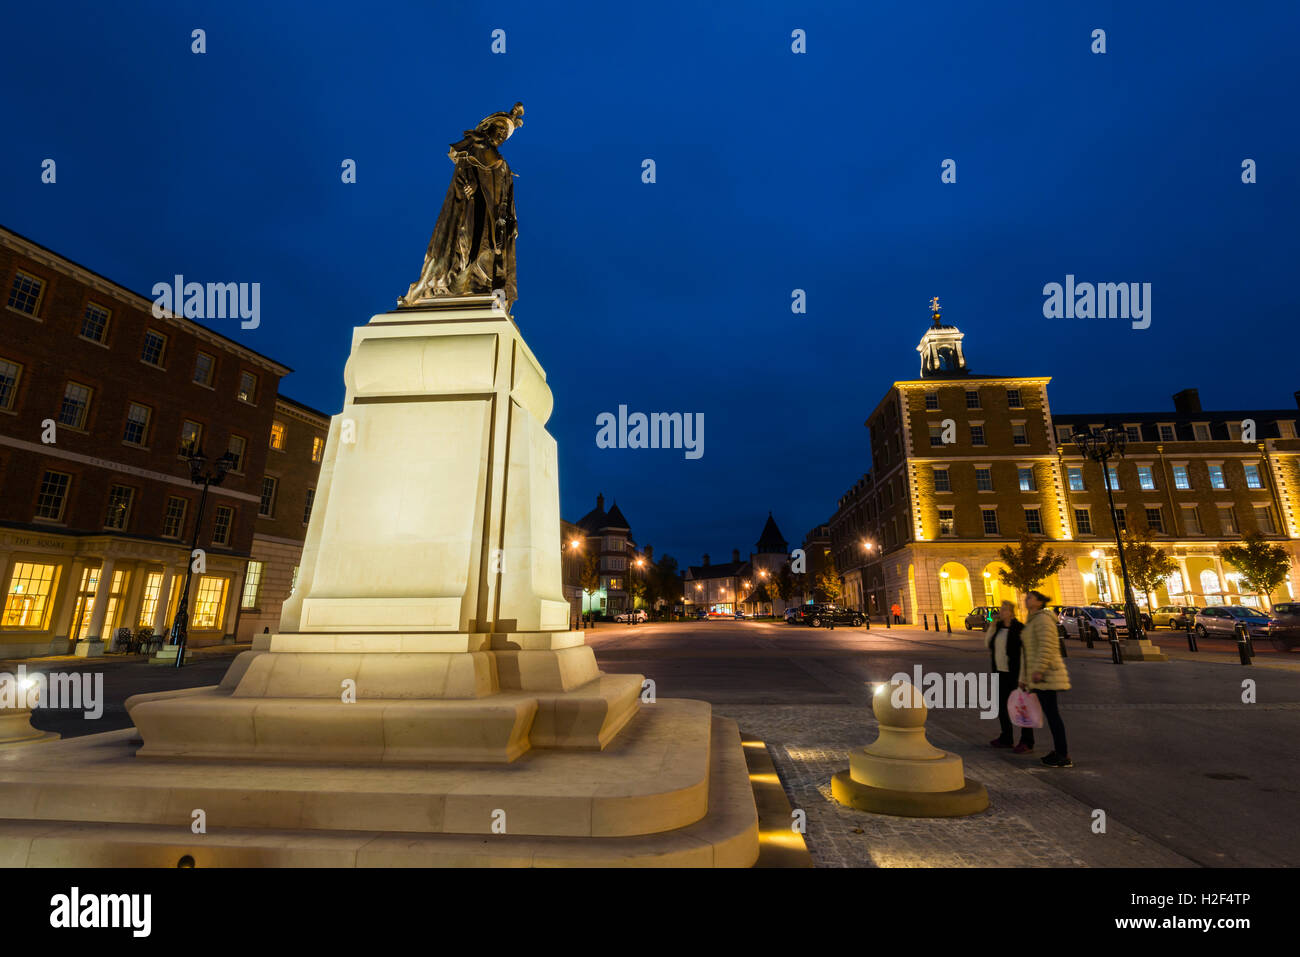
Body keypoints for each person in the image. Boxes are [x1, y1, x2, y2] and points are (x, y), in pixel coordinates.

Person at [1019, 590, 1072, 768]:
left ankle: (1062, 754)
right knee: (1047, 713)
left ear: (1039, 602)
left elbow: (1046, 646)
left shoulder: (1042, 619)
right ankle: (1058, 751)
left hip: (1047, 675)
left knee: (1052, 715)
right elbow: (1029, 650)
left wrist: (1039, 670)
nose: (1026, 600)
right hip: (1038, 674)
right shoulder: (1033, 619)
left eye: (1030, 598)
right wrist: (1024, 677)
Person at [986, 600, 1034, 753]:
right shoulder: (999, 628)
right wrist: (992, 626)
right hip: (1000, 672)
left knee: (1020, 708)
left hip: (1015, 674)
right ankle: (1006, 737)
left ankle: (1027, 741)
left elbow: (1025, 654)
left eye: (1005, 609)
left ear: (1012, 612)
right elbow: (988, 644)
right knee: (1002, 706)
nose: (1002, 611)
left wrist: (1023, 678)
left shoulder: (1019, 628)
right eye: (1001, 609)